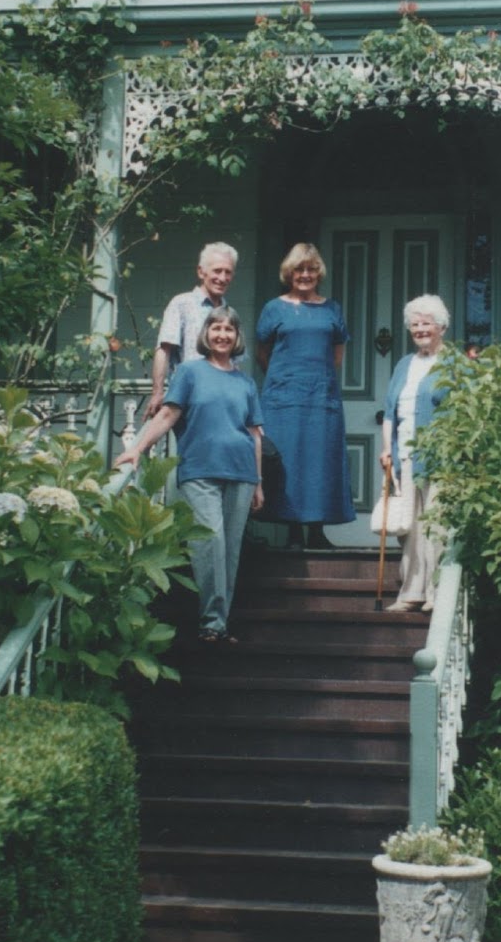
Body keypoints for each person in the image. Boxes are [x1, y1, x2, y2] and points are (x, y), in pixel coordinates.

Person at [117, 306, 263, 644]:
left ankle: (218, 623)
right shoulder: (190, 372)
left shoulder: (245, 382)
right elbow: (167, 415)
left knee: (230, 548)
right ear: (206, 334)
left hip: (241, 472)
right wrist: (137, 449)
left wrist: (259, 482)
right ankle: (211, 620)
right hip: (200, 469)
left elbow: (254, 434)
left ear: (237, 336)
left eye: (229, 329)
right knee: (208, 540)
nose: (222, 335)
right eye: (216, 328)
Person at [256, 242, 355, 549]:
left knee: (320, 462)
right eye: (299, 269)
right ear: (289, 272)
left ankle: (316, 530)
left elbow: (336, 356)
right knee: (289, 461)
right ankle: (293, 532)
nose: (305, 275)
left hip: (320, 399)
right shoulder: (275, 308)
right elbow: (263, 352)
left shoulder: (331, 309)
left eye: (311, 269)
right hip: (284, 399)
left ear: (319, 273)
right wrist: (286, 378)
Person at [380, 294, 451, 612]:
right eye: (414, 324)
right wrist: (387, 450)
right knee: (409, 527)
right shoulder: (404, 364)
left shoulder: (454, 364)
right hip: (405, 455)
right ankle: (411, 593)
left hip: (440, 457)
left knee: (437, 527)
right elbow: (390, 412)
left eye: (426, 323)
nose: (420, 329)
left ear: (441, 327)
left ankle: (437, 594)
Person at [143, 241, 238, 420]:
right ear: (201, 272)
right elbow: (164, 349)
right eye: (217, 271)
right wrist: (157, 392)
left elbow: (234, 360)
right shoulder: (182, 303)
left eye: (228, 272)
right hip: (191, 396)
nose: (223, 278)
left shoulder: (229, 313)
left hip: (223, 396)